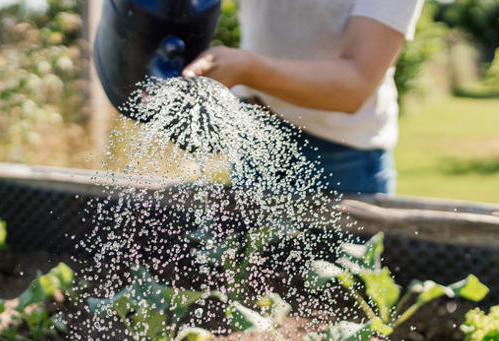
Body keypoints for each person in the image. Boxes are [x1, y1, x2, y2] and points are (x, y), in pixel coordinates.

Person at [182, 0, 425, 195]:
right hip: (253, 135)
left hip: (336, 159)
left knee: (340, 258)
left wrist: (246, 70)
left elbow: (354, 87)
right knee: (246, 255)